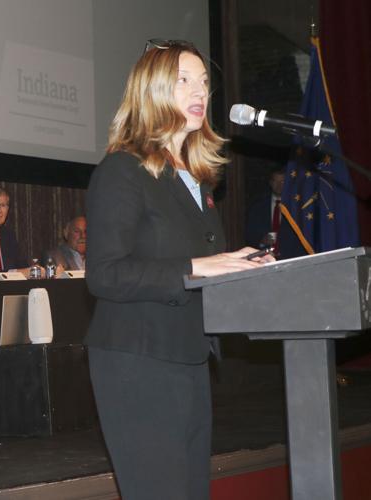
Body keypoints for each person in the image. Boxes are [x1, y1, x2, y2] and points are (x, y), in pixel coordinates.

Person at [85, 39, 271, 500]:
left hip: (188, 357)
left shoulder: (195, 178)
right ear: (152, 91)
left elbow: (203, 269)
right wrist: (198, 266)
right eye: (184, 80)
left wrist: (244, 269)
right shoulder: (121, 171)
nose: (199, 92)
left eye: (204, 82)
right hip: (139, 361)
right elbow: (105, 274)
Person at [244, 168, 285, 248]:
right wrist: (262, 241)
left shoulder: (294, 208)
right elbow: (250, 236)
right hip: (264, 256)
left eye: (282, 182)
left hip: (290, 256)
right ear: (270, 183)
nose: (279, 185)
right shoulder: (258, 207)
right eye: (275, 181)